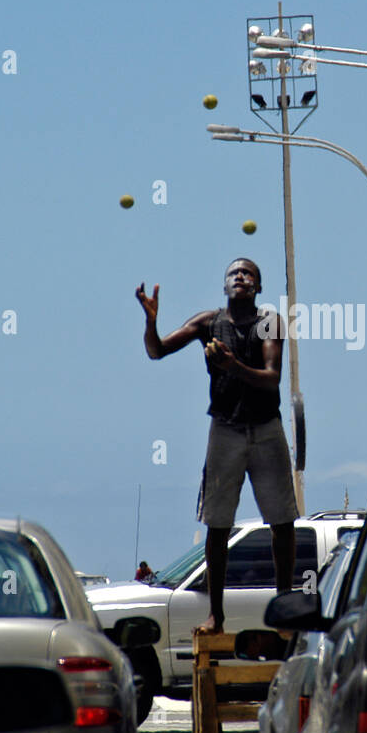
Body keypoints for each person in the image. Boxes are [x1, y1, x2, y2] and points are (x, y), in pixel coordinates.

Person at [135, 258, 299, 635]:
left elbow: (272, 379)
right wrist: (150, 322)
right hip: (224, 429)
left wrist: (233, 365)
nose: (241, 277)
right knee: (217, 523)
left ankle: (287, 605)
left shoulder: (270, 321)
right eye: (234, 274)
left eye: (249, 274)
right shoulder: (208, 322)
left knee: (282, 522)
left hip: (266, 428)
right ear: (224, 286)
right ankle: (217, 616)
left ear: (257, 287)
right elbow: (156, 351)